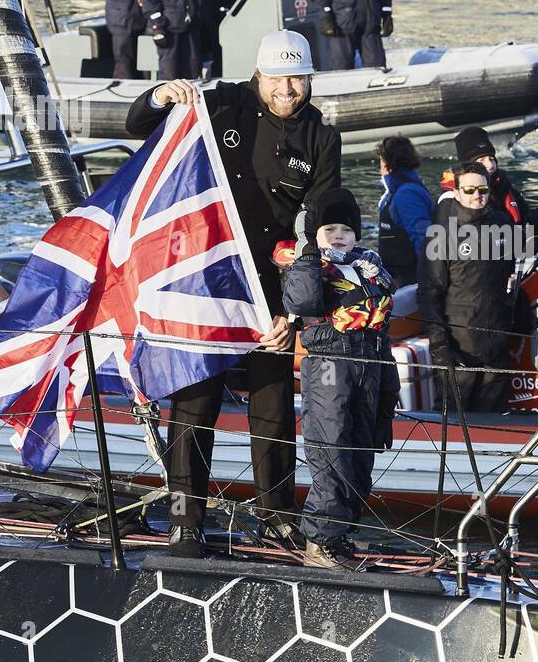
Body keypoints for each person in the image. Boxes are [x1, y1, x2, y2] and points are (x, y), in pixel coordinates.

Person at [125, 30, 341, 558]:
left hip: (271, 288)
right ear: (258, 76)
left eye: (298, 78)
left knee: (273, 408)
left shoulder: (321, 137)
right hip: (204, 280)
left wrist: (295, 310)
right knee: (193, 406)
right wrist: (161, 96)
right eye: (278, 78)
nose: (288, 89)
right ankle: (184, 522)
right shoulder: (221, 103)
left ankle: (276, 519)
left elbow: (320, 228)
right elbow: (137, 125)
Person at [279, 188, 399, 570]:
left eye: (346, 228)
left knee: (360, 454)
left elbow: (383, 331)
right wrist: (308, 250)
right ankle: (318, 540)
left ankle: (340, 533)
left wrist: (387, 395)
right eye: (329, 228)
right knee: (330, 452)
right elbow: (303, 303)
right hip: (330, 364)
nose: (339, 235)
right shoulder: (306, 265)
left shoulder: (369, 266)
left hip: (371, 365)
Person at [418, 160, 516, 412]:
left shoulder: (503, 223)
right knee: (454, 420)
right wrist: (440, 347)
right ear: (458, 192)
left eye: (482, 190)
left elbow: (512, 270)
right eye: (470, 190)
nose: (477, 196)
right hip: (460, 345)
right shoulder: (440, 232)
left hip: (497, 341)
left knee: (495, 423)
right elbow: (429, 293)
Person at [439, 125, 532, 228]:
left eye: (491, 158)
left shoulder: (503, 185)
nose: (490, 165)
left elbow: (526, 214)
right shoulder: (449, 198)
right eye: (481, 161)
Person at [376, 136, 433, 288]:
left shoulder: (407, 193)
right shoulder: (398, 189)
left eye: (381, 160)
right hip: (396, 276)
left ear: (387, 163)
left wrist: (429, 282)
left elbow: (422, 237)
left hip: (409, 280)